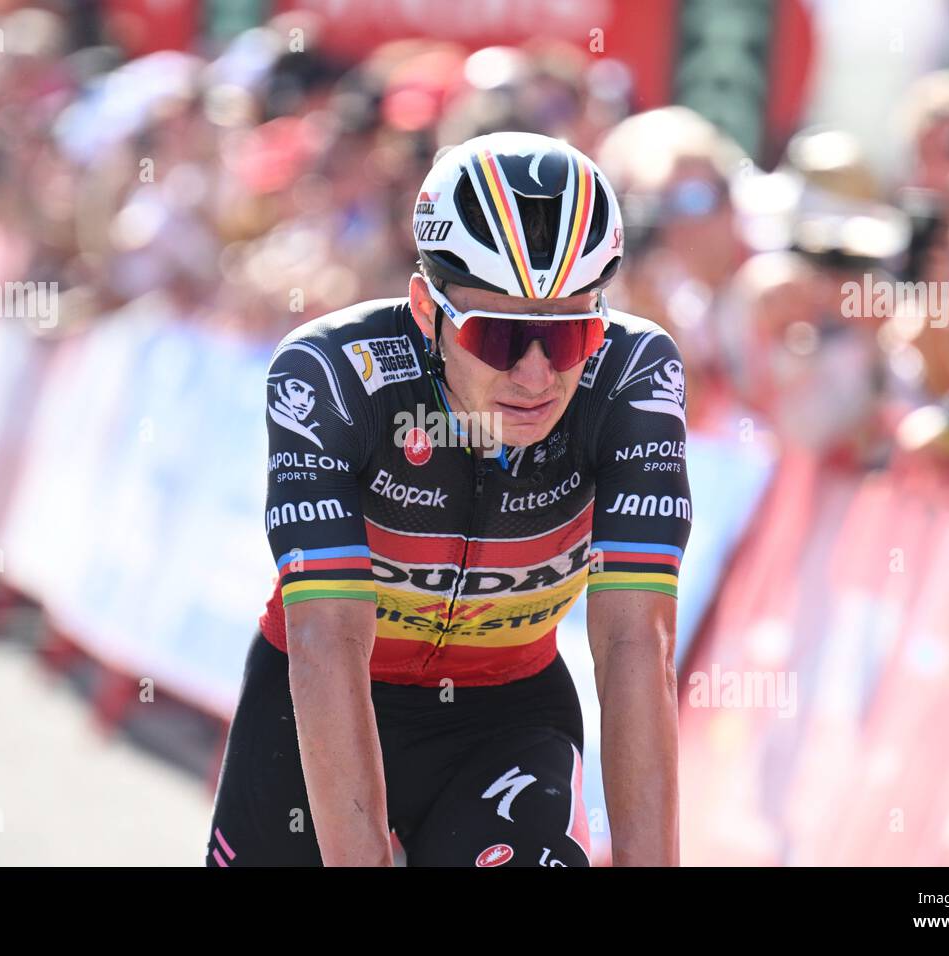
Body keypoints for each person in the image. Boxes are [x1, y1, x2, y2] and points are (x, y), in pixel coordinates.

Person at [206, 131, 692, 867]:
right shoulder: (333, 375)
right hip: (326, 699)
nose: (535, 376)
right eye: (499, 338)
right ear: (426, 311)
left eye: (568, 337)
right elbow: (328, 643)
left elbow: (633, 646)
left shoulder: (632, 378)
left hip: (505, 715)